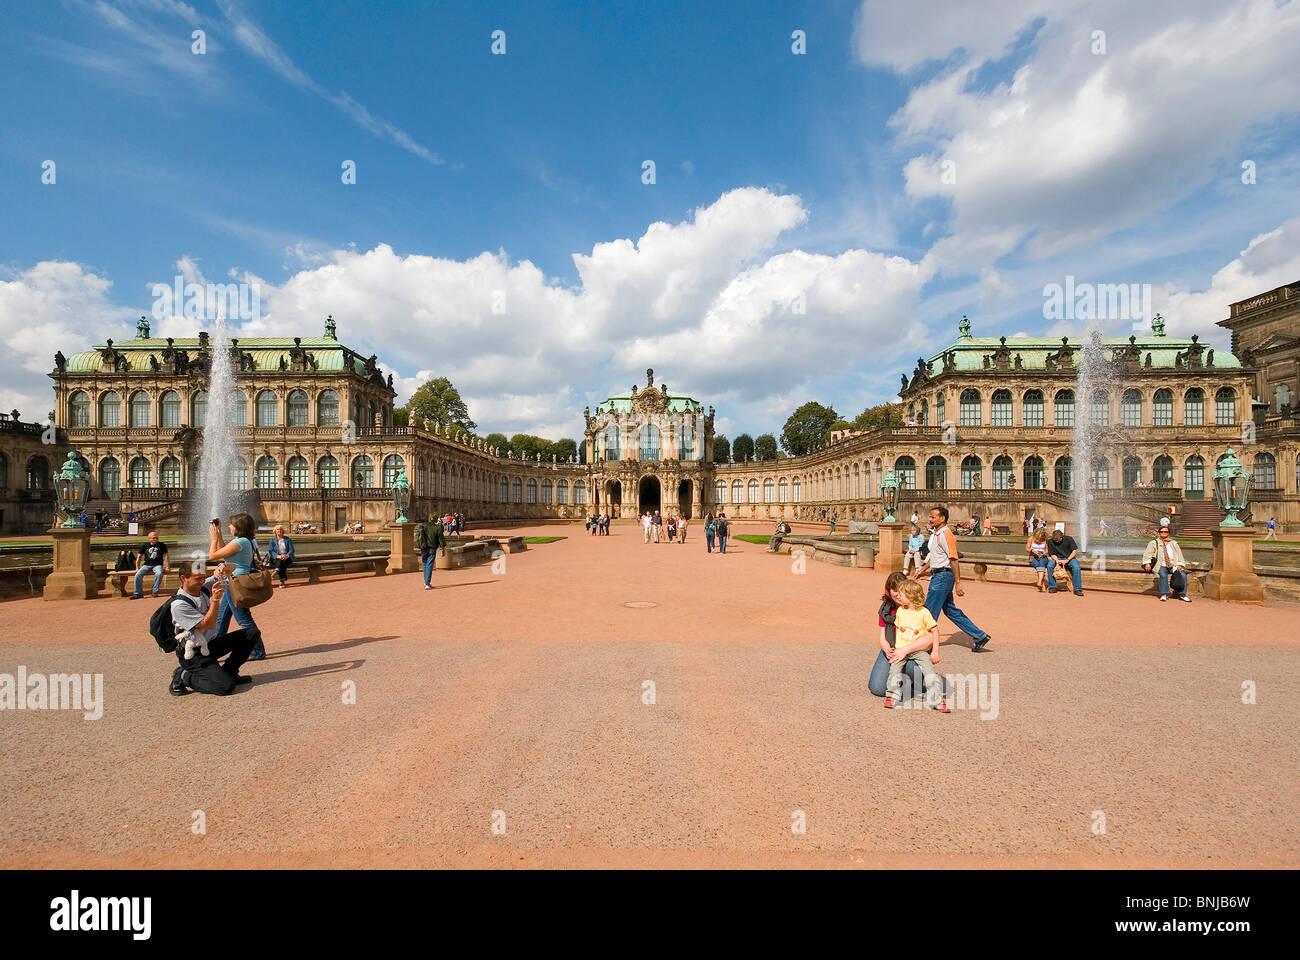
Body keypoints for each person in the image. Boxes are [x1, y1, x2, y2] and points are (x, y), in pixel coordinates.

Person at [168, 566, 259, 697]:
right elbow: (208, 624)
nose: (202, 581)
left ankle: (230, 672)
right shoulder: (179, 605)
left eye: (203, 577)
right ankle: (183, 675)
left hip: (210, 645)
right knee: (225, 687)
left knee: (251, 633)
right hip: (193, 654)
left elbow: (227, 570)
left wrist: (222, 568)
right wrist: (215, 600)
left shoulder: (203, 586)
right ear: (183, 578)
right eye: (197, 578)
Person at [911, 505, 991, 652]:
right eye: (930, 516)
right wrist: (922, 570)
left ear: (942, 519)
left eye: (933, 517)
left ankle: (925, 644)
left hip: (943, 576)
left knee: (929, 612)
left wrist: (958, 582)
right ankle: (979, 636)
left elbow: (953, 559)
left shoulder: (946, 535)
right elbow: (935, 557)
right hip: (940, 574)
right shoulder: (936, 534)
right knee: (950, 611)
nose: (930, 519)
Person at [883, 576, 950, 712]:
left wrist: (936, 651)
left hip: (919, 651)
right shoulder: (901, 611)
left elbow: (935, 631)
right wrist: (892, 648)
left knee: (929, 672)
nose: (898, 597)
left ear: (911, 596)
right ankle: (892, 695)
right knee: (894, 671)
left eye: (901, 594)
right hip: (901, 649)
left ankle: (936, 699)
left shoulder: (924, 612)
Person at [209, 512, 265, 661]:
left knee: (244, 620)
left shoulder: (240, 542)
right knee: (221, 619)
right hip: (232, 582)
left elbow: (213, 555)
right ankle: (214, 651)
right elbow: (224, 551)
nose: (229, 526)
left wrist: (213, 538)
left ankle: (258, 651)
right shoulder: (243, 541)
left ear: (238, 526)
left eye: (231, 524)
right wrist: (219, 534)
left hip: (235, 583)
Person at [868, 571, 926, 700]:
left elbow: (929, 639)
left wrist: (905, 651)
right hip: (893, 649)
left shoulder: (917, 608)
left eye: (901, 589)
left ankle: (918, 682)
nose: (898, 594)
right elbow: (882, 636)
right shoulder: (885, 609)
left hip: (912, 651)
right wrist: (887, 649)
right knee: (877, 688)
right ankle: (900, 679)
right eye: (894, 590)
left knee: (912, 668)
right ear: (888, 591)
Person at [1142, 526, 1191, 602]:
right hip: (1161, 565)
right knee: (1163, 574)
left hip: (1173, 565)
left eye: (1166, 532)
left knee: (1183, 575)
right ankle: (1164, 594)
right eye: (1162, 532)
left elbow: (1179, 554)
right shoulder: (1154, 543)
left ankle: (1182, 594)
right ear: (1159, 533)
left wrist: (1180, 564)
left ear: (1168, 533)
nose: (1163, 533)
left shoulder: (1173, 543)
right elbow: (1147, 554)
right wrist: (1147, 563)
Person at [131, 530, 170, 599]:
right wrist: (137, 568)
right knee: (138, 575)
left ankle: (155, 591)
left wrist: (167, 567)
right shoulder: (145, 545)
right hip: (146, 565)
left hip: (158, 565)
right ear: (149, 539)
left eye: (157, 538)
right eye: (154, 538)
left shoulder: (162, 545)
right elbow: (139, 557)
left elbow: (166, 556)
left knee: (159, 573)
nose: (156, 539)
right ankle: (138, 593)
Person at [1046, 528, 1083, 596]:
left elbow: (1074, 551)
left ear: (1062, 537)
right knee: (1049, 565)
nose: (1056, 541)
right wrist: (1057, 560)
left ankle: (1078, 589)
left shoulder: (1069, 539)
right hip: (1058, 558)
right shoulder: (1050, 541)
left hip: (1069, 558)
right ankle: (1052, 587)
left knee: (1076, 567)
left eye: (1058, 540)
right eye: (1055, 540)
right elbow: (1052, 554)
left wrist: (1067, 560)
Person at [416, 513, 445, 590]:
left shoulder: (423, 525)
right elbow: (441, 539)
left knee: (425, 564)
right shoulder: (437, 527)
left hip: (423, 547)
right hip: (432, 548)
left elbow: (419, 536)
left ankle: (426, 582)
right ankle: (427, 583)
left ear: (429, 518)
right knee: (429, 565)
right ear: (436, 520)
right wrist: (443, 549)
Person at [1026, 528, 1051, 592]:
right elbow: (1027, 549)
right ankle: (1042, 583)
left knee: (1041, 563)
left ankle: (1040, 582)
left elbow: (1047, 551)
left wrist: (1044, 553)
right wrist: (1033, 550)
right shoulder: (1031, 538)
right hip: (1033, 557)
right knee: (1039, 565)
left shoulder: (1045, 539)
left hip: (1043, 557)